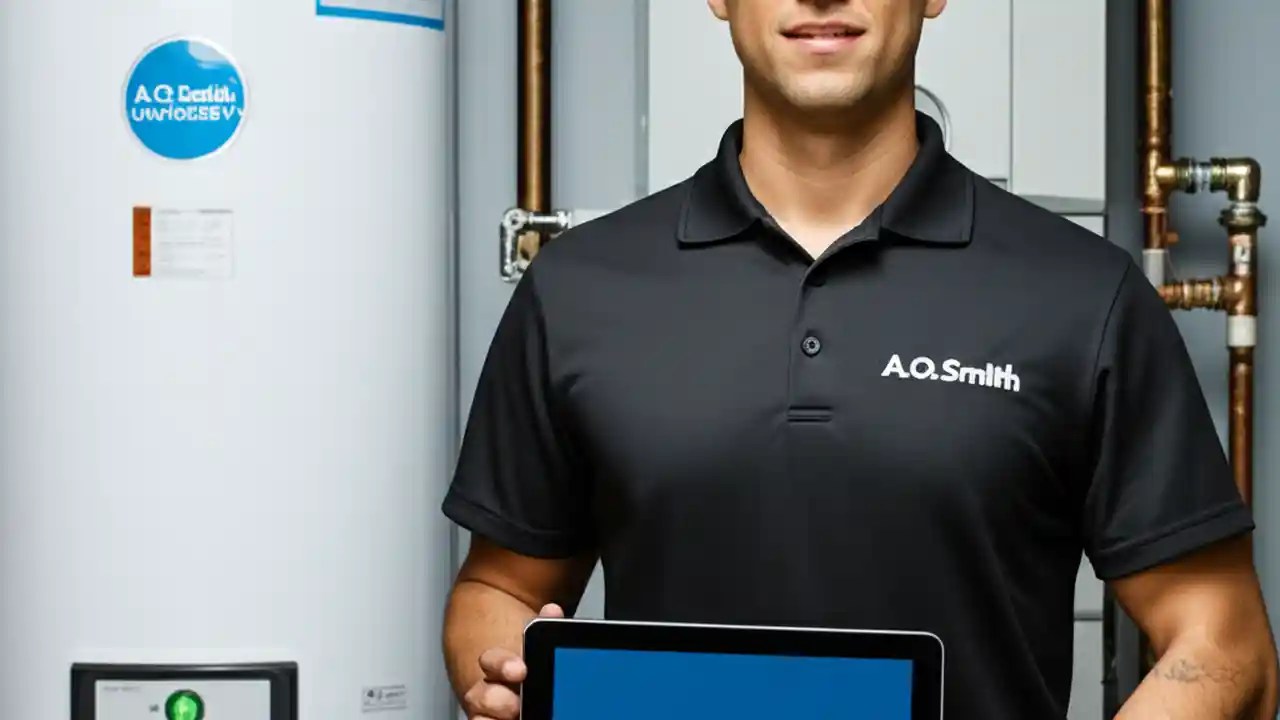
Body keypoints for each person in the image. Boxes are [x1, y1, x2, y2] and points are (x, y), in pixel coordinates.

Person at [440, 0, 1280, 717]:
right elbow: (499, 589)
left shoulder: (1082, 294)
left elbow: (1222, 636)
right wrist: (514, 681)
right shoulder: (581, 287)